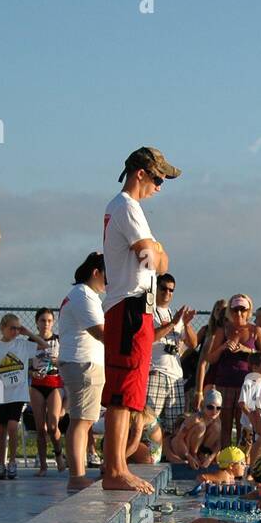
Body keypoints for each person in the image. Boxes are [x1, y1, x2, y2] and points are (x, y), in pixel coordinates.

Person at [101, 146, 180, 494]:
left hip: (136, 308)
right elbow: (153, 260)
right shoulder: (126, 207)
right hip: (129, 307)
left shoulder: (128, 209)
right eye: (159, 179)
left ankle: (117, 466)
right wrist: (159, 250)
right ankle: (115, 469)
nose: (160, 187)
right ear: (141, 174)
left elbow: (159, 260)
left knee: (131, 392)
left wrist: (159, 251)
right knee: (122, 392)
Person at [57, 252, 107, 491]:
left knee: (82, 421)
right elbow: (100, 332)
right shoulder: (83, 295)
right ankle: (76, 476)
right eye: (107, 276)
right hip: (83, 363)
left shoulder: (83, 295)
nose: (109, 282)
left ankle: (77, 474)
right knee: (81, 421)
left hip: (80, 362)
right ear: (95, 272)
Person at [205, 293, 261, 452]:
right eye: (235, 310)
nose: (239, 313)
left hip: (247, 386)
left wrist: (248, 350)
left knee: (244, 426)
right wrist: (223, 347)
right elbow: (210, 358)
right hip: (224, 383)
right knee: (224, 425)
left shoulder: (255, 331)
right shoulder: (223, 330)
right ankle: (225, 458)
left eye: (243, 309)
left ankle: (241, 460)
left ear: (249, 311)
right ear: (229, 311)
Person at [147, 273, 197, 436]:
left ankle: (170, 457)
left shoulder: (174, 315)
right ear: (156, 289)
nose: (167, 293)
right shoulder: (149, 312)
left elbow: (193, 343)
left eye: (171, 290)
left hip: (175, 374)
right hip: (156, 372)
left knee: (175, 424)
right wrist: (173, 324)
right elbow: (150, 337)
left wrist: (187, 325)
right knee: (149, 420)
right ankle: (148, 455)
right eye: (163, 288)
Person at [0, 314, 35, 478]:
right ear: (3, 328)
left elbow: (45, 346)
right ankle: (1, 463)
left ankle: (12, 461)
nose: (16, 331)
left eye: (18, 328)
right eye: (12, 328)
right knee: (0, 430)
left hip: (17, 393)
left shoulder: (22, 344)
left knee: (12, 426)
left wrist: (28, 333)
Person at [28, 307, 65, 476]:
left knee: (52, 425)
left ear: (53, 322)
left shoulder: (59, 340)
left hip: (55, 384)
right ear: (37, 322)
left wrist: (58, 362)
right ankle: (43, 465)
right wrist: (31, 372)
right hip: (37, 384)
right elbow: (24, 366)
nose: (46, 324)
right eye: (43, 320)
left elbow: (66, 362)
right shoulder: (30, 342)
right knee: (40, 427)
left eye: (49, 321)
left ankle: (58, 454)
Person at [167, 389, 223, 468]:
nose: (214, 411)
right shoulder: (195, 419)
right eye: (210, 407)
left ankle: (202, 454)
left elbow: (218, 444)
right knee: (201, 427)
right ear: (203, 405)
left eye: (218, 408)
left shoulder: (217, 420)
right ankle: (194, 454)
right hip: (180, 448)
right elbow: (179, 439)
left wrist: (210, 458)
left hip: (194, 450)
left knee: (216, 427)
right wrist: (188, 456)